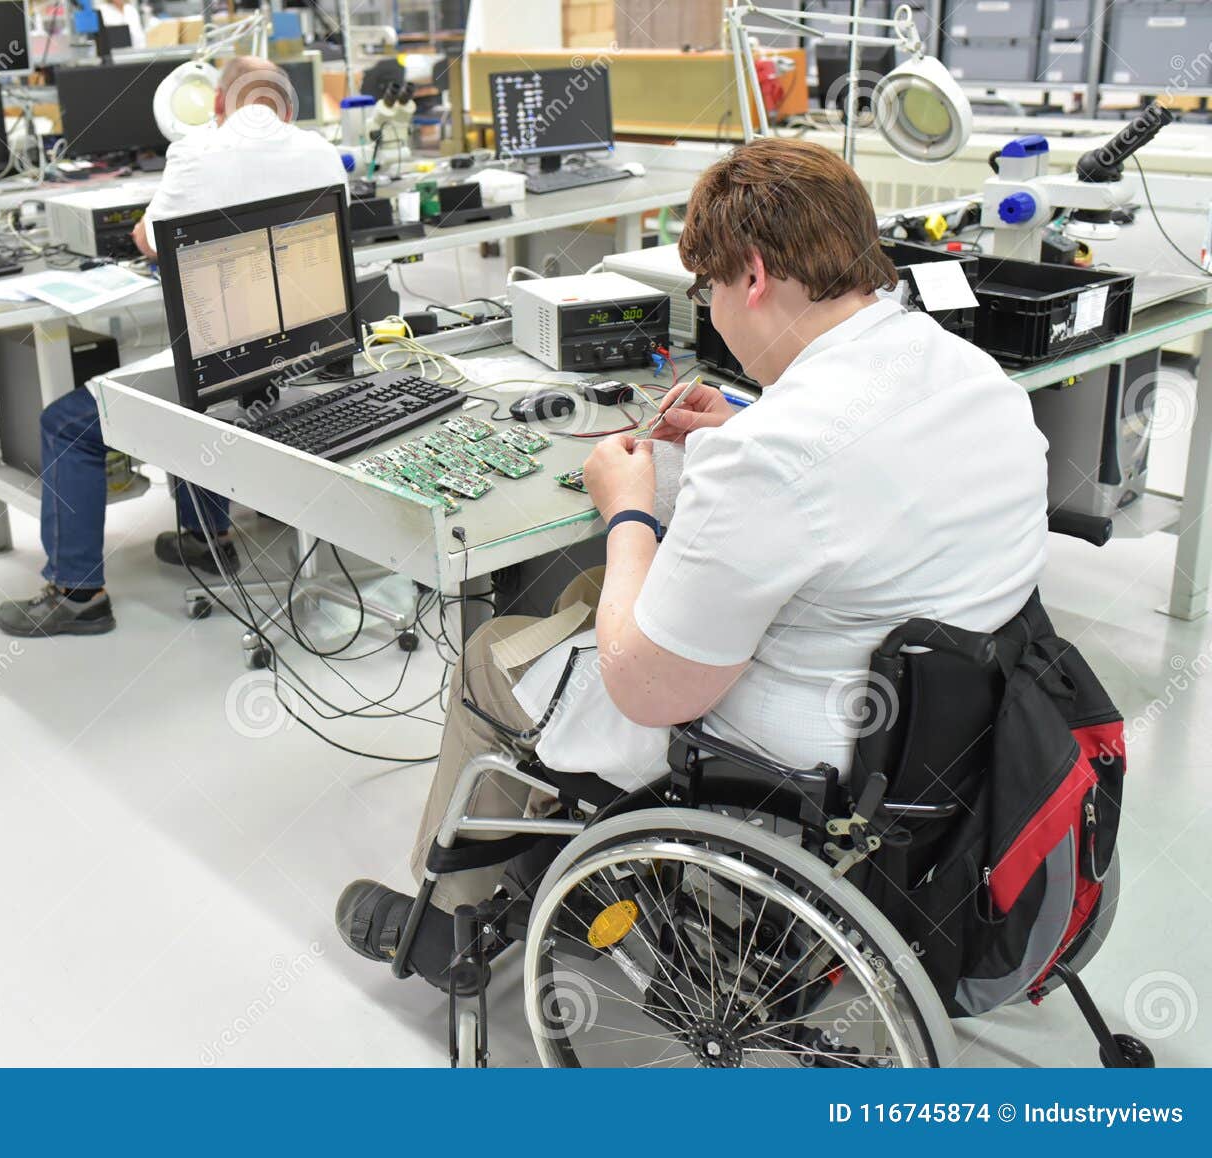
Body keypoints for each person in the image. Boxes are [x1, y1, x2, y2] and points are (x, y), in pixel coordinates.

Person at [335, 138, 1052, 989]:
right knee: (589, 595)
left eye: (707, 289)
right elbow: (867, 476)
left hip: (811, 752)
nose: (710, 311)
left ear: (751, 276)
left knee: (492, 657)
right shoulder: (969, 374)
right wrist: (738, 425)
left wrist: (629, 506)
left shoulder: (773, 453)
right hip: (951, 731)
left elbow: (648, 689)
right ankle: (562, 850)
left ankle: (451, 925)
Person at [0, 57, 345, 638]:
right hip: (298, 355)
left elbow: (151, 239)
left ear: (215, 107)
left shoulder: (196, 153)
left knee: (72, 423)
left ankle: (77, 595)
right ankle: (207, 541)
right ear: (288, 109)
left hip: (221, 361)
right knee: (202, 387)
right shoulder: (321, 152)